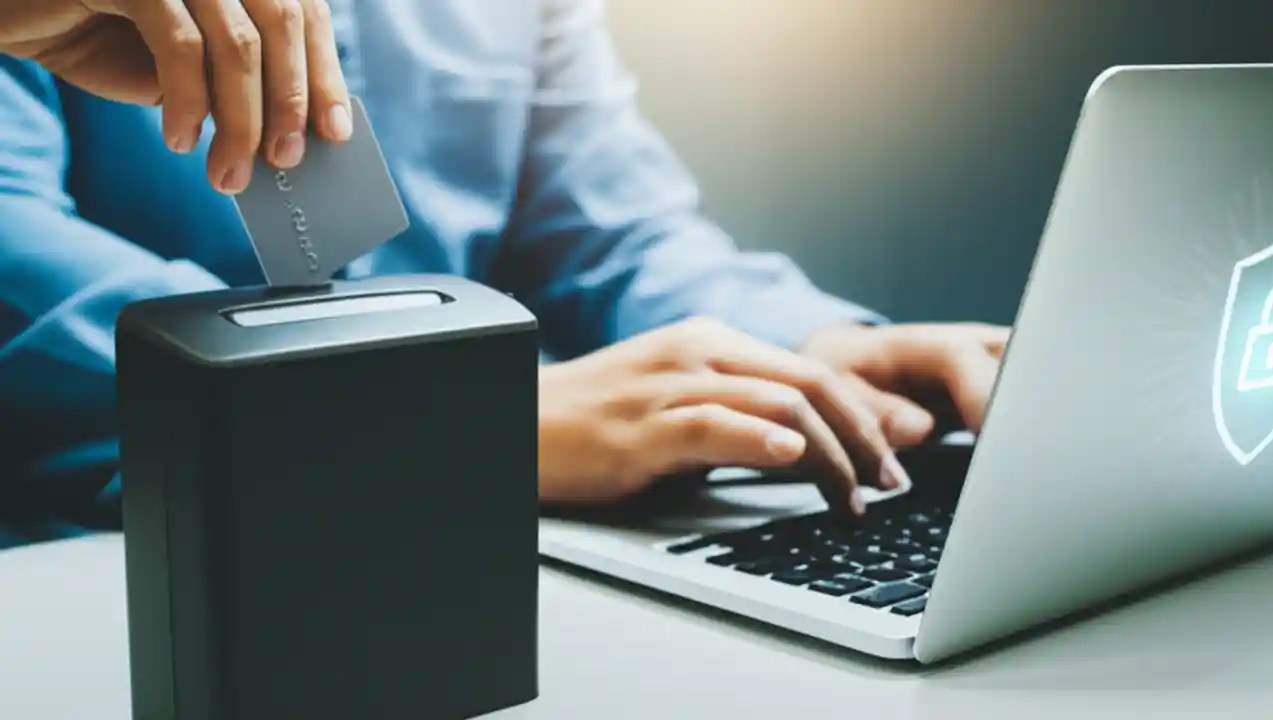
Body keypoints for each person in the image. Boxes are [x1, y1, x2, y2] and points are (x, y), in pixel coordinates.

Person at [0, 0, 1007, 543]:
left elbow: (611, 232)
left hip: (491, 555)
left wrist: (811, 349)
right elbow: (22, 276)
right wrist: (451, 424)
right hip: (124, 568)